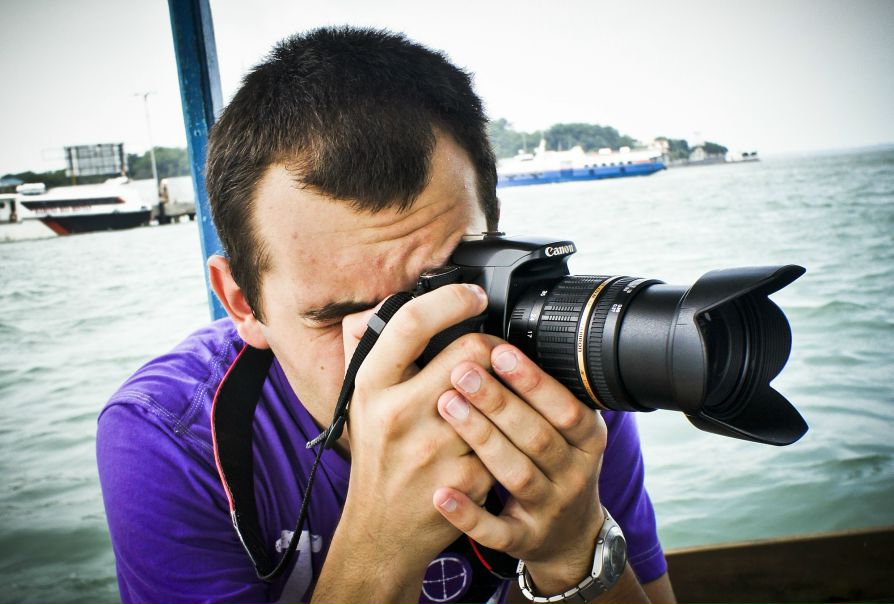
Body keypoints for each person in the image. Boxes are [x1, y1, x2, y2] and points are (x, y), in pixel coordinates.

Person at [97, 26, 675, 604]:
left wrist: (572, 552)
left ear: (495, 232)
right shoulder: (170, 437)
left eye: (444, 291)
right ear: (243, 303)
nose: (405, 350)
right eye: (339, 317)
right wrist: (379, 542)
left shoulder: (556, 369)